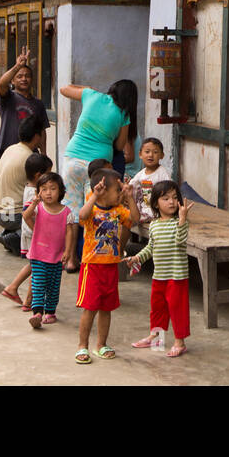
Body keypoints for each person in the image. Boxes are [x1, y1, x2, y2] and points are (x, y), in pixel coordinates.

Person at [74, 167, 138, 363]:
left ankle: (101, 344)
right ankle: (82, 346)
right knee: (90, 308)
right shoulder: (92, 208)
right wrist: (94, 196)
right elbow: (81, 217)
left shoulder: (118, 211)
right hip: (92, 266)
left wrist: (129, 196)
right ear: (103, 191)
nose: (119, 194)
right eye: (117, 191)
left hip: (111, 265)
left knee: (106, 308)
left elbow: (134, 220)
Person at [126, 181, 192, 357]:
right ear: (155, 203)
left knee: (178, 309)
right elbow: (151, 248)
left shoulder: (180, 223)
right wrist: (137, 257)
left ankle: (180, 342)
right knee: (157, 308)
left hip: (177, 276)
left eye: (175, 198)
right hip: (159, 276)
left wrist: (183, 219)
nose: (171, 202)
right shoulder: (154, 225)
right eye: (166, 198)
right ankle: (156, 337)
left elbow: (180, 240)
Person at [58, 79, 137, 225]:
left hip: (73, 157)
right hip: (97, 165)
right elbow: (120, 146)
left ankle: (69, 248)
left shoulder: (91, 95)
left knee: (71, 210)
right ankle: (88, 247)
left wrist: (88, 88)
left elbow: (64, 89)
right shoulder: (124, 114)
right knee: (93, 210)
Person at [21, 171, 74, 329]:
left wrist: (68, 252)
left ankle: (50, 312)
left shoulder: (66, 212)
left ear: (61, 191)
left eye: (52, 188)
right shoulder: (39, 209)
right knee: (38, 283)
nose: (48, 193)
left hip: (57, 256)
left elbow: (69, 232)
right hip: (38, 254)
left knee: (53, 285)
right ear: (38, 192)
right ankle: (37, 312)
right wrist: (34, 203)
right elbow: (26, 216)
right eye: (44, 189)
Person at [1, 150, 54, 306]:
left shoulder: (29, 188)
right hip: (34, 234)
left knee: (35, 266)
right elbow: (28, 215)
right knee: (37, 266)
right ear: (38, 176)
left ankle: (28, 298)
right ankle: (16, 290)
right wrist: (40, 232)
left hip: (31, 232)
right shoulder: (34, 193)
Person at [0, 114, 45, 256]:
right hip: (12, 215)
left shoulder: (11, 149)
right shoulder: (30, 159)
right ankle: (17, 236)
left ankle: (10, 231)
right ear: (36, 136)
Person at [0, 47, 50, 166]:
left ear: (32, 80)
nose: (24, 79)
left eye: (27, 76)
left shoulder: (38, 103)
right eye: (19, 76)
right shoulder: (8, 98)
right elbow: (1, 83)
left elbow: (41, 131)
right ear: (13, 81)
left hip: (31, 155)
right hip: (7, 151)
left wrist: (44, 153)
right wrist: (17, 66)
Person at [126, 138, 169, 227]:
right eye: (147, 152)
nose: (151, 155)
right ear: (140, 155)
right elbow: (131, 186)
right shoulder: (141, 174)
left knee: (128, 220)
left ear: (162, 155)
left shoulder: (162, 173)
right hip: (143, 207)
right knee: (125, 219)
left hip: (156, 210)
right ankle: (120, 241)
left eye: (155, 152)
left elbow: (169, 192)